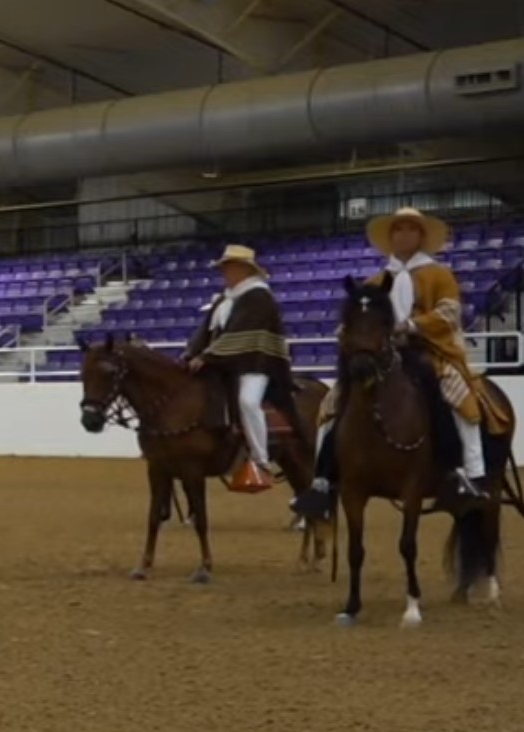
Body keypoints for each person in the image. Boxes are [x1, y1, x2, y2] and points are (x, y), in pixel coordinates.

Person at [295, 207, 488, 518]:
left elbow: (450, 314)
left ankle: (468, 473)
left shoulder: (439, 274)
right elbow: (358, 317)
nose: (404, 235)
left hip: (428, 350)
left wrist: (412, 326)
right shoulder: (376, 280)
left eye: (411, 229)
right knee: (331, 404)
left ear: (422, 237)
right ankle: (322, 481)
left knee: (457, 396)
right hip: (382, 355)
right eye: (398, 230)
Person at [182, 245, 296, 492]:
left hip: (255, 363)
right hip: (225, 364)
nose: (225, 272)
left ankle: (260, 456)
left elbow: (241, 332)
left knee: (248, 401)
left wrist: (207, 356)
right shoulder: (226, 299)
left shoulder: (259, 297)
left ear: (245, 269)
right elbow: (206, 331)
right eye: (224, 267)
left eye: (230, 266)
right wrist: (191, 352)